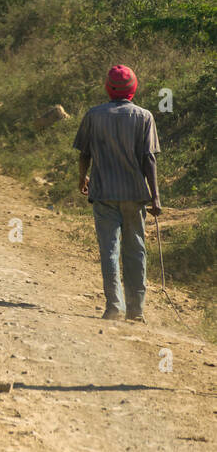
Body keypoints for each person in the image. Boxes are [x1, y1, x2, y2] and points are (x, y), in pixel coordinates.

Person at [72, 64, 161, 322]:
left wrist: (82, 178)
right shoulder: (144, 117)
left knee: (109, 250)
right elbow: (149, 160)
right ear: (133, 88)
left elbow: (84, 153)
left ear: (108, 88)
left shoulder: (93, 115)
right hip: (135, 195)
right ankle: (136, 310)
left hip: (103, 193)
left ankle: (114, 307)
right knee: (136, 250)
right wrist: (155, 196)